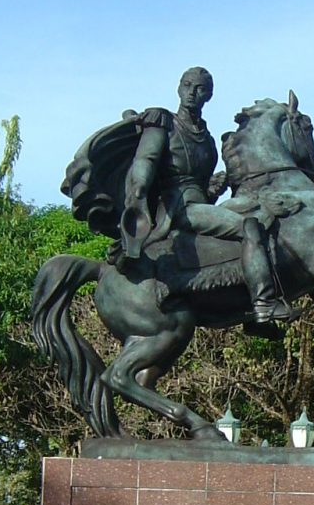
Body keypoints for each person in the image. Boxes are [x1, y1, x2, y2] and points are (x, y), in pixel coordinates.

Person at [120, 68, 296, 324]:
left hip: (197, 206)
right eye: (187, 85)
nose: (191, 93)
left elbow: (202, 194)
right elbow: (145, 161)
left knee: (262, 214)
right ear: (178, 88)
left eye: (199, 88)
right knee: (250, 227)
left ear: (209, 95)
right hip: (178, 207)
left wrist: (214, 188)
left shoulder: (208, 141)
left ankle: (243, 307)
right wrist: (138, 189)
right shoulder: (163, 123)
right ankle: (263, 304)